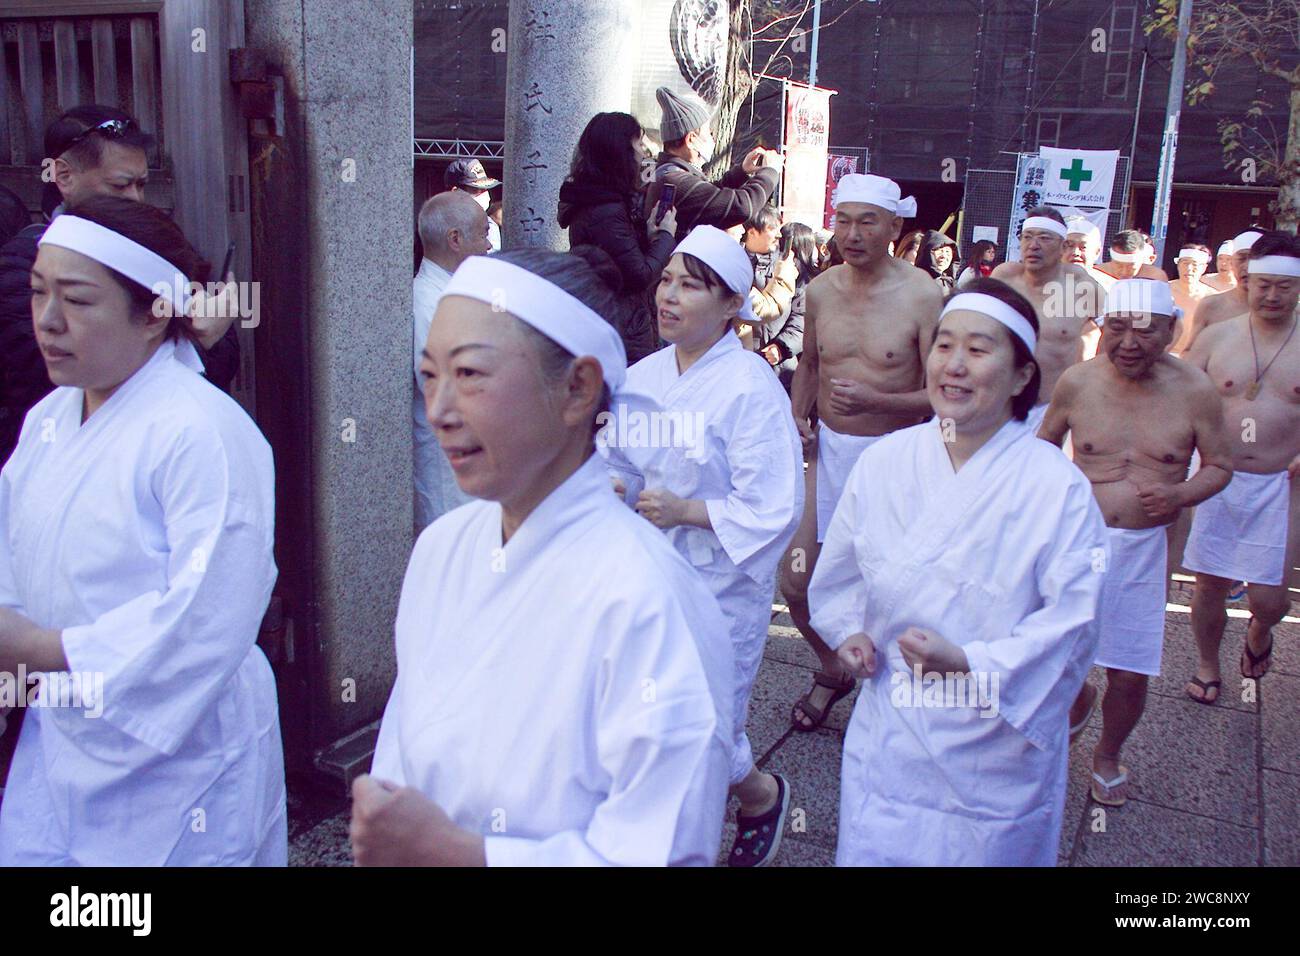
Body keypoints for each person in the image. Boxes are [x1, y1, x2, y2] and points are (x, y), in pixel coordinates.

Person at [353, 247, 732, 867]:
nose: (440, 411)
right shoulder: (443, 549)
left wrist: (459, 854)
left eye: (470, 374)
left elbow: (659, 848)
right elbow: (403, 748)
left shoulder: (650, 599)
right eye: (429, 375)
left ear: (578, 388)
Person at [0, 195, 284, 865]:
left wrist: (41, 648)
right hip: (63, 727)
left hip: (179, 749)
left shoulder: (203, 431)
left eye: (76, 300)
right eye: (39, 292)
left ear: (155, 315)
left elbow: (209, 614)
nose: (46, 320)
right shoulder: (48, 418)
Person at [809, 279, 1106, 865]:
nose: (955, 365)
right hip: (891, 734)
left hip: (994, 746)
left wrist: (970, 664)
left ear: (1022, 376)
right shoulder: (885, 463)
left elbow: (1075, 623)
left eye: (979, 349)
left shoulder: (1057, 487)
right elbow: (839, 577)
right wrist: (851, 634)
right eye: (944, 346)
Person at [602, 225, 803, 867]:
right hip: (651, 573)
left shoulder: (750, 387)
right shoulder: (643, 375)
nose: (669, 295)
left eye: (691, 285)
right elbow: (618, 459)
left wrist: (688, 510)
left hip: (720, 587)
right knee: (651, 711)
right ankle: (741, 798)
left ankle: (753, 798)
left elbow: (772, 505)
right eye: (666, 280)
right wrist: (608, 487)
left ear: (730, 305)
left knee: (709, 721)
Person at [1041, 279, 1231, 807]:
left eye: (1145, 331)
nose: (1128, 342)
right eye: (1117, 328)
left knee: (1129, 667)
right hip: (1076, 539)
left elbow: (1220, 465)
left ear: (1172, 330)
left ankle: (1107, 754)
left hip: (1143, 549)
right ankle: (1074, 699)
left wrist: (1181, 492)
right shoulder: (1077, 382)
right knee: (1056, 652)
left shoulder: (1195, 390)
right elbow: (1042, 449)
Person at [781, 174, 942, 732]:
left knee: (890, 587)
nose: (850, 233)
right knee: (797, 582)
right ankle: (834, 667)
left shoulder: (924, 293)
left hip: (895, 459)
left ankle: (895, 693)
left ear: (895, 227)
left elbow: (945, 395)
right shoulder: (821, 289)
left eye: (866, 221)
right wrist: (798, 415)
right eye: (842, 220)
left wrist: (879, 397)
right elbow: (810, 365)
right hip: (828, 455)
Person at [0, 105, 240, 465]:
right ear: (63, 177)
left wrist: (207, 337)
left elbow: (221, 361)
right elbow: (55, 378)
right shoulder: (21, 263)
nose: (136, 199)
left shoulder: (161, 247)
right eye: (120, 185)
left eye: (141, 184)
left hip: (161, 456)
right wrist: (193, 338)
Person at [1182, 231, 1300, 700]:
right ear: (1247, 281)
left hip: (1284, 482)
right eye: (1262, 283)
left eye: (1283, 286)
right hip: (1220, 474)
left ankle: (1259, 632)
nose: (1270, 295)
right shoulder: (1217, 337)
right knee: (1209, 582)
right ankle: (1208, 666)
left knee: (1270, 598)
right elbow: (1180, 397)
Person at [557, 111, 678, 364]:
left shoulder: (605, 201)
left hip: (618, 327)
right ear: (619, 152)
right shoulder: (605, 211)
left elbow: (625, 257)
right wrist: (666, 236)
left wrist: (648, 233)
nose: (644, 154)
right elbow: (640, 274)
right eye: (639, 145)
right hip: (622, 335)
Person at [412, 190, 492, 528]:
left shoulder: (451, 294)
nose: (489, 245)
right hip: (450, 470)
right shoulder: (428, 303)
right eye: (483, 233)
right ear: (455, 239)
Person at [991, 207, 1105, 431]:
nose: (1033, 245)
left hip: (1050, 410)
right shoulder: (1004, 277)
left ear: (1063, 246)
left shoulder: (1080, 284)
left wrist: (1095, 378)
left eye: (1044, 238)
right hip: (998, 404)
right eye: (1028, 237)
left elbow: (1117, 329)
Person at [653, 87, 781, 241]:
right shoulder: (676, 180)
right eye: (709, 133)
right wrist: (770, 172)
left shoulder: (671, 175)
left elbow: (710, 196)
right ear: (691, 139)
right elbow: (740, 207)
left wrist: (742, 171)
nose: (713, 139)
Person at [762, 221, 817, 390]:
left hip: (781, 363)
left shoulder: (805, 280)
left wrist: (781, 347)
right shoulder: (763, 265)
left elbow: (802, 320)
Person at [1184, 229, 1261, 348]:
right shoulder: (1210, 303)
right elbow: (1191, 350)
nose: (1246, 266)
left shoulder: (1284, 308)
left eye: (1252, 258)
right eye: (1241, 259)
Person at [741, 205, 795, 353]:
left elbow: (800, 314)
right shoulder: (734, 267)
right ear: (751, 232)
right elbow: (764, 310)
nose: (779, 235)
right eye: (772, 229)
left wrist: (782, 346)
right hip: (739, 356)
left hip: (779, 362)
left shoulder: (788, 263)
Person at [444, 158, 502, 251]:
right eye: (476, 190)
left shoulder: (490, 225)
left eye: (485, 189)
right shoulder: (437, 225)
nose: (484, 194)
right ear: (455, 192)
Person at [1169, 243, 1214, 352]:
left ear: (1203, 268)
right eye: (1185, 263)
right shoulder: (1162, 290)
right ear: (1178, 265)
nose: (1189, 268)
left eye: (1194, 264)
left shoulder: (1212, 296)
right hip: (1165, 354)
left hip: (1196, 355)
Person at [1095, 229, 1169, 284]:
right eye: (1119, 265)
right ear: (1112, 259)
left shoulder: (1156, 277)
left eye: (1131, 266)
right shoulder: (1096, 274)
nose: (1124, 272)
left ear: (1141, 261)